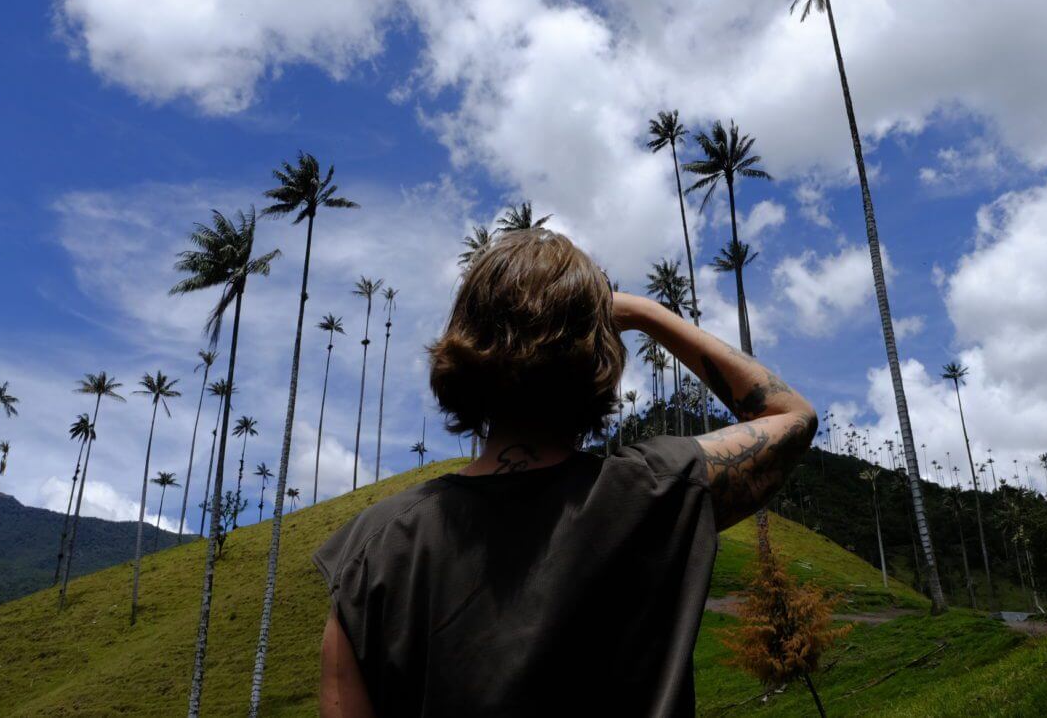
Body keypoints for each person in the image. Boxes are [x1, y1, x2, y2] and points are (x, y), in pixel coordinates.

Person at [316, 228, 815, 717]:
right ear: (601, 354)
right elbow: (791, 417)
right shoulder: (652, 490)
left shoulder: (371, 550)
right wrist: (647, 313)